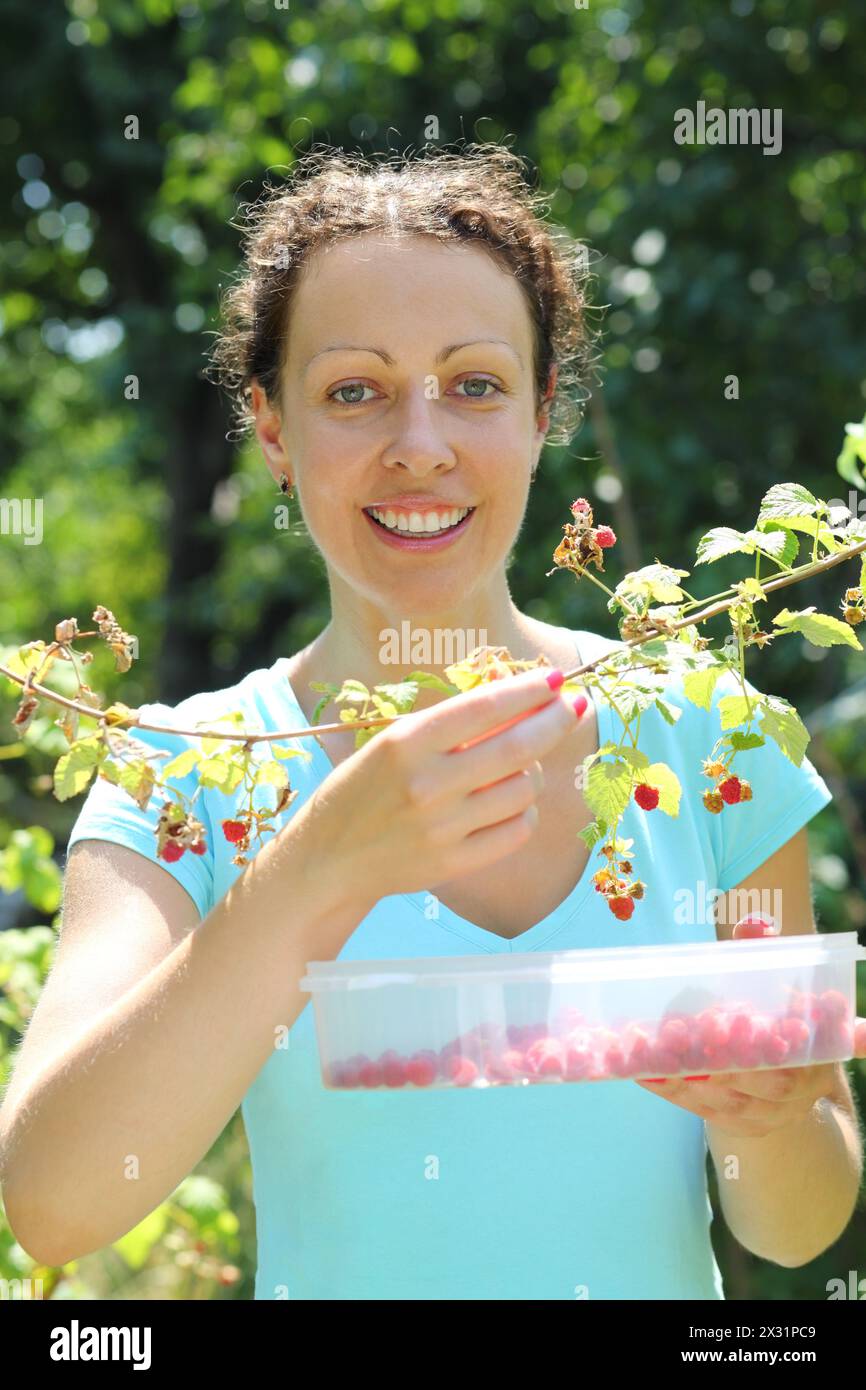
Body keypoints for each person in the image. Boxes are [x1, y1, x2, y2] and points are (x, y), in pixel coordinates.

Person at [1, 145, 860, 1300]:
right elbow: (55, 1204)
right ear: (269, 426)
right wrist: (314, 872)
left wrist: (761, 1119)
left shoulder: (708, 739)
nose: (420, 443)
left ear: (543, 408)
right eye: (353, 390)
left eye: (474, 384)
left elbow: (798, 1225)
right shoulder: (184, 775)